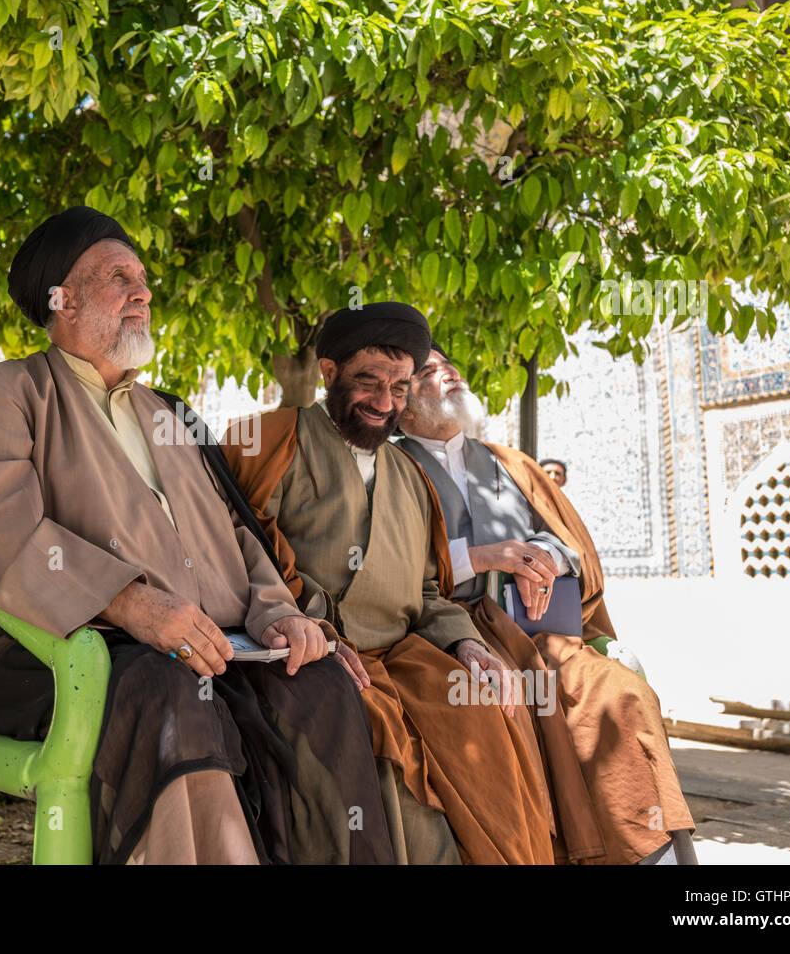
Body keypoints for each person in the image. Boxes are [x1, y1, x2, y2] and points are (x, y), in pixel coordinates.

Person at [0, 206, 392, 864]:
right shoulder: (6, 393)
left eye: (143, 279)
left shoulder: (169, 413)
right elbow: (3, 533)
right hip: (70, 656)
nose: (143, 292)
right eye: (118, 276)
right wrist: (133, 604)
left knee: (318, 687)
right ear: (60, 298)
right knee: (170, 693)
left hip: (214, 647)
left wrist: (278, 617)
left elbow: (237, 534)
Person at [221, 302, 601, 864]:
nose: (384, 402)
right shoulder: (273, 439)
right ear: (329, 374)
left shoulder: (410, 474)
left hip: (404, 653)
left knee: (485, 713)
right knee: (385, 760)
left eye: (399, 387)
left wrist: (466, 642)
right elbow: (232, 547)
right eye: (368, 381)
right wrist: (308, 627)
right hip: (307, 651)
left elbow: (426, 590)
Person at [396, 344, 696, 864]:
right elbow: (389, 568)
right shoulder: (391, 469)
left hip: (538, 633)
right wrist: (480, 556)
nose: (447, 373)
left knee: (619, 695)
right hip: (446, 635)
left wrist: (547, 559)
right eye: (427, 372)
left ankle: (649, 855)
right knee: (490, 712)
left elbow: (571, 544)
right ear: (401, 402)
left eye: (451, 364)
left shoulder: (513, 465)